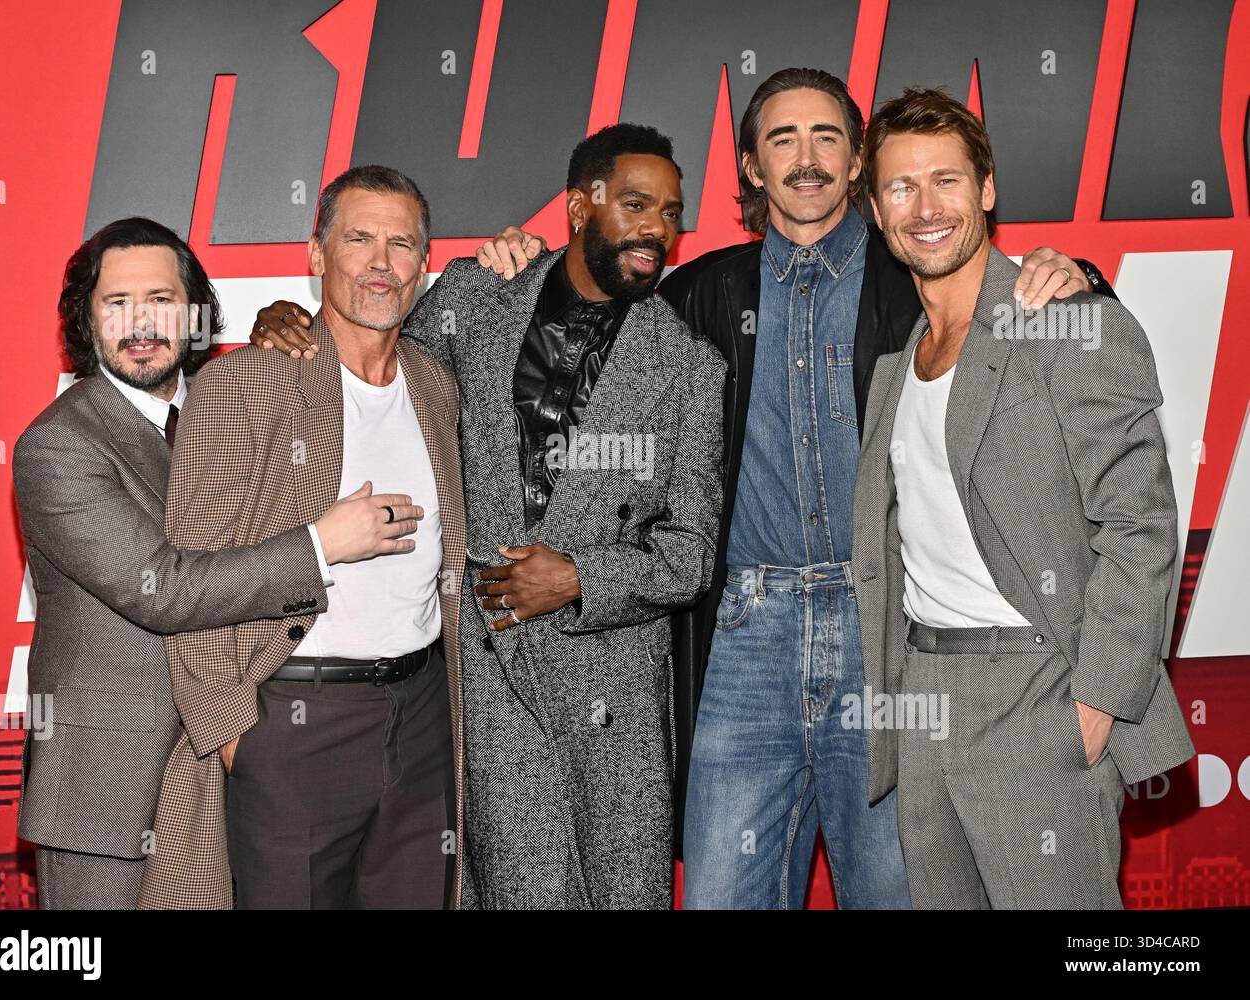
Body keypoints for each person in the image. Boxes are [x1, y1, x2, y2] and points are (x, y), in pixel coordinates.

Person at [477, 68, 1116, 910]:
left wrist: (1080, 280)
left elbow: (1041, 339)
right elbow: (582, 307)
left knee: (898, 890)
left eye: (827, 138)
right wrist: (515, 265)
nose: (806, 158)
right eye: (782, 139)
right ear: (750, 167)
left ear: (858, 164)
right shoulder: (699, 294)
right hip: (745, 639)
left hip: (884, 629)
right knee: (720, 896)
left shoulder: (921, 279)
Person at [250, 124, 726, 908]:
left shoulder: (689, 365)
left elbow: (693, 550)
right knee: (515, 888)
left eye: (672, 213)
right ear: (580, 206)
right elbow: (372, 359)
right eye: (636, 204)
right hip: (489, 673)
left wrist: (580, 577)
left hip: (617, 694)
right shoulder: (477, 296)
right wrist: (286, 320)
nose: (657, 230)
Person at [854, 87, 1193, 907]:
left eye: (947, 181)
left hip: (1037, 692)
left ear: (988, 189)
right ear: (874, 206)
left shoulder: (1069, 323)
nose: (925, 208)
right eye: (902, 187)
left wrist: (1095, 708)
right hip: (923, 699)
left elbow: (1140, 529)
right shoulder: (895, 366)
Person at [13, 216, 406, 908]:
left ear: (194, 313)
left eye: (161, 301)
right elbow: (161, 588)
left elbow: (378, 343)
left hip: (237, 766)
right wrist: (322, 544)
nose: (141, 323)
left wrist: (294, 333)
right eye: (117, 303)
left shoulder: (231, 406)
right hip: (113, 787)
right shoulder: (58, 447)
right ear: (85, 318)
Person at [137, 167, 466, 909]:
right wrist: (233, 736)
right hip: (292, 724)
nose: (381, 263)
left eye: (401, 243)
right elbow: (191, 576)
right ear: (318, 255)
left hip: (421, 719)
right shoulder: (243, 385)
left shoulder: (437, 388)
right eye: (359, 239)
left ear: (424, 263)